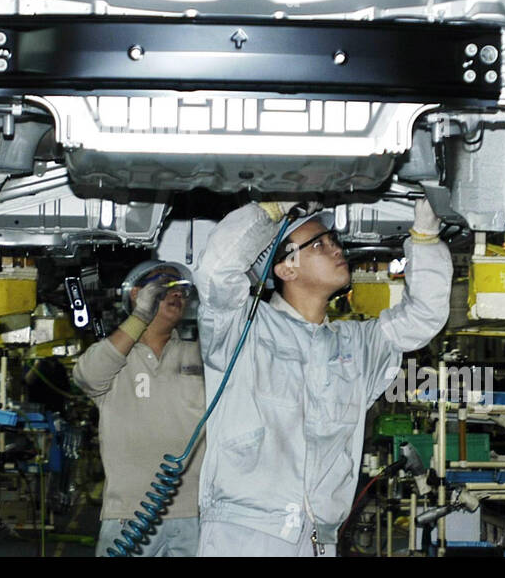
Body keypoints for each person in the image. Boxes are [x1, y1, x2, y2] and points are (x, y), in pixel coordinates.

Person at [193, 198, 452, 557]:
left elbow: (423, 317)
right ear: (286, 269)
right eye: (319, 243)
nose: (335, 249)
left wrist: (424, 239)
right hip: (245, 532)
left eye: (333, 240)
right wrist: (273, 207)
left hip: (319, 537)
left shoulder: (356, 344)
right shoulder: (244, 329)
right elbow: (215, 273)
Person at [73, 261, 206, 557]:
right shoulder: (115, 357)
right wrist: (139, 317)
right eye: (164, 286)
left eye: (182, 290)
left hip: (195, 515)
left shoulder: (199, 353)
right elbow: (86, 375)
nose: (176, 294)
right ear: (137, 295)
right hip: (129, 516)